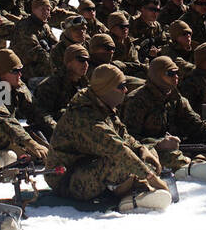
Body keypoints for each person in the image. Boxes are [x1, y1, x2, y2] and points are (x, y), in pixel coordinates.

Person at [43, 64, 171, 211]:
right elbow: (117, 149)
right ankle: (127, 197)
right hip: (67, 179)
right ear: (107, 89)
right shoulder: (84, 117)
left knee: (147, 152)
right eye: (121, 86)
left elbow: (123, 135)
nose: (126, 90)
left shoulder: (101, 103)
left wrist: (141, 149)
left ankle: (133, 187)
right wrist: (152, 178)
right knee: (120, 161)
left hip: (87, 165)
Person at [122, 56, 206, 177]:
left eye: (177, 73)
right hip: (150, 150)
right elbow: (129, 138)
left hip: (177, 146)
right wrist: (158, 144)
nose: (176, 77)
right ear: (157, 76)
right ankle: (189, 168)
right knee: (166, 157)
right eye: (170, 74)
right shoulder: (137, 101)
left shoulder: (175, 98)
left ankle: (196, 162)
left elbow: (197, 125)